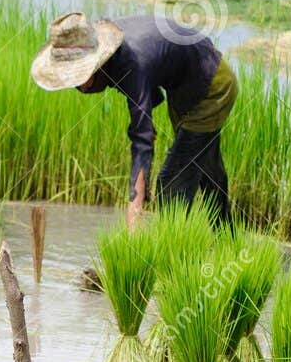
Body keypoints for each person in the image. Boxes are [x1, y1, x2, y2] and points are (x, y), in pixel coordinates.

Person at [31, 12, 238, 227]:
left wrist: (135, 206)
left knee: (172, 182)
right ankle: (226, 239)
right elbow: (149, 88)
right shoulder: (111, 54)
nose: (82, 87)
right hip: (185, 87)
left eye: (82, 77)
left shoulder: (130, 61)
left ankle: (172, 254)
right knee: (205, 170)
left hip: (212, 85)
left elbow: (142, 138)